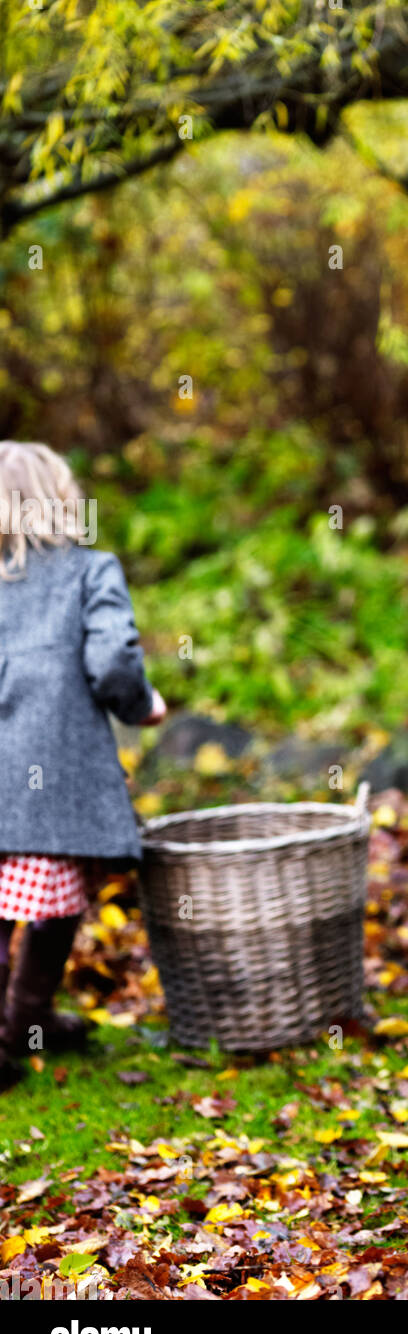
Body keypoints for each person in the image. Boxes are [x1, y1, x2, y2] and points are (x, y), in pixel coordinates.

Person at [0, 441, 165, 1090]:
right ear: (59, 500)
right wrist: (143, 705)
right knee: (50, 903)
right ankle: (18, 1024)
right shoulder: (89, 572)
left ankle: (26, 1021)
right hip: (48, 777)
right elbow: (114, 663)